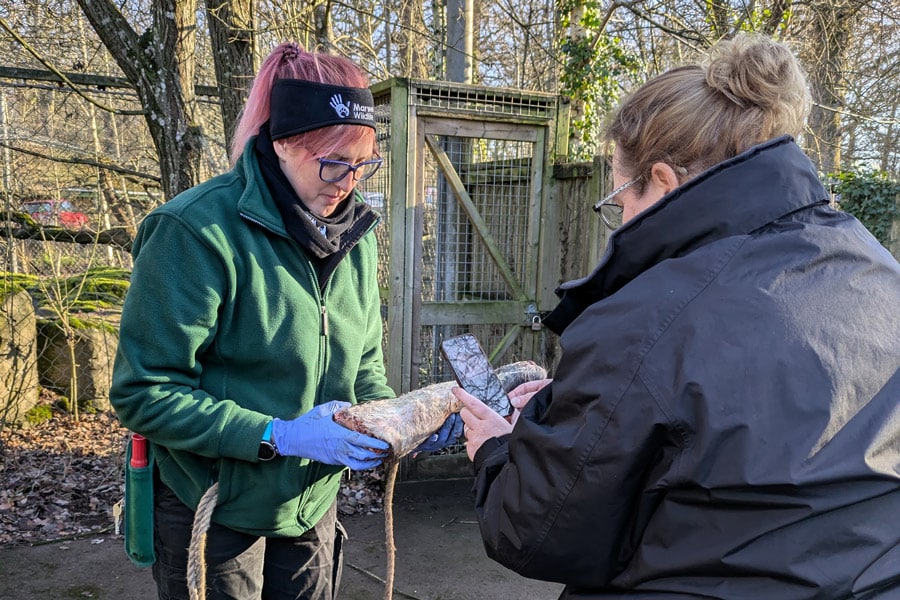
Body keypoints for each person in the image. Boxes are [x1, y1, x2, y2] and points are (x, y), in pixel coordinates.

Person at [455, 33, 900, 599]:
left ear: (662, 180)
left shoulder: (645, 320)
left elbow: (533, 530)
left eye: (620, 200)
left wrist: (497, 449)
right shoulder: (878, 268)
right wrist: (564, 408)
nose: (620, 220)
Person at [111, 41, 458, 600]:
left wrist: (396, 424)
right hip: (215, 503)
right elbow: (144, 393)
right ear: (282, 143)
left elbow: (363, 366)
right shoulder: (194, 232)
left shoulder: (355, 237)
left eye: (362, 164)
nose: (347, 181)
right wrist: (278, 435)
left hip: (310, 503)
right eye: (334, 162)